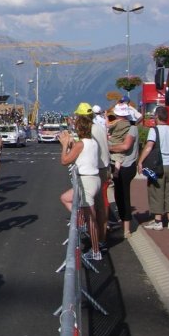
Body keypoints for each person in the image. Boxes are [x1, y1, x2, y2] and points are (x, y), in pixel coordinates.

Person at [59, 115, 101, 261]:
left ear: (79, 128)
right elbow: (80, 153)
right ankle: (81, 222)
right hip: (94, 179)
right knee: (65, 198)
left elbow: (64, 160)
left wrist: (65, 145)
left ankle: (96, 251)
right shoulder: (92, 142)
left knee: (91, 218)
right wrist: (71, 144)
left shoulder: (80, 144)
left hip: (86, 181)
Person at [74, 102, 112, 251]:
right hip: (104, 166)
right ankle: (101, 236)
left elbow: (89, 150)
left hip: (97, 169)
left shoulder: (89, 130)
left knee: (97, 207)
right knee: (102, 204)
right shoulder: (99, 127)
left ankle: (99, 240)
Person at [108, 103, 139, 238]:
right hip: (121, 164)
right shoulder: (128, 126)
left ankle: (126, 228)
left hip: (126, 165)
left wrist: (108, 147)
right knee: (119, 195)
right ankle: (123, 223)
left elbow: (125, 146)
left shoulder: (132, 129)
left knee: (123, 195)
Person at [139, 106, 169, 231]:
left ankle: (158, 221)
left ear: (157, 116)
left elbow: (149, 146)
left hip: (159, 166)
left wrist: (140, 162)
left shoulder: (154, 130)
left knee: (156, 192)